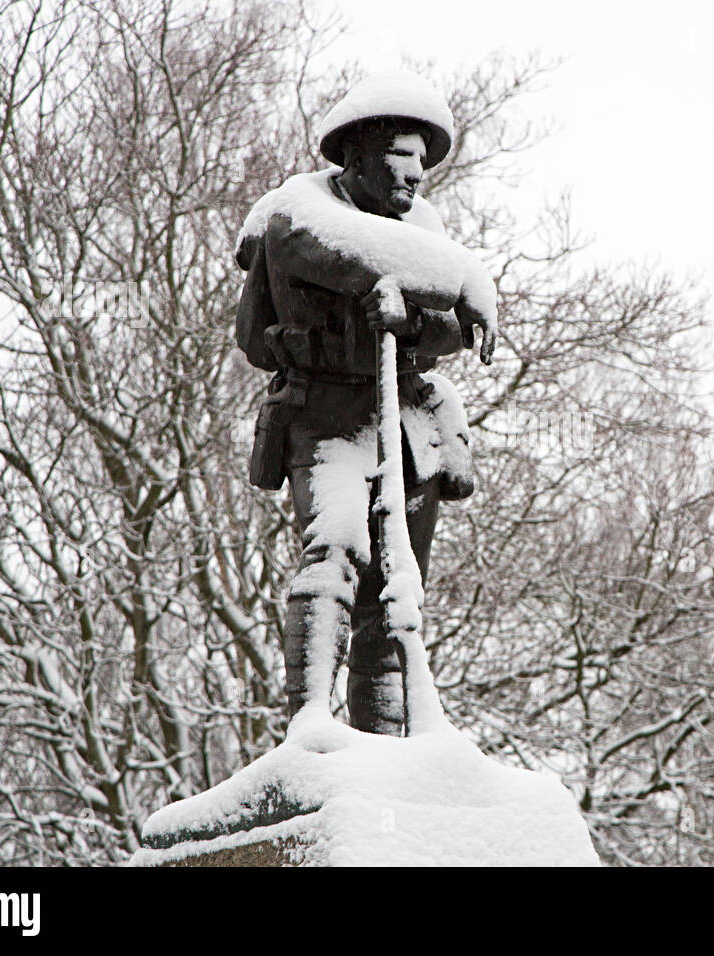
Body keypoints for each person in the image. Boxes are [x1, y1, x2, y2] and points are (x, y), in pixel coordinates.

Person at [233, 72, 495, 735]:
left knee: (396, 590)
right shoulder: (295, 211)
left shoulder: (423, 227)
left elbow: (451, 332)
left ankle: (383, 740)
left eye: (420, 164)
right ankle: (311, 726)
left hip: (403, 427)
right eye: (398, 160)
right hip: (323, 418)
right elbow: (327, 262)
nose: (413, 179)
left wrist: (410, 320)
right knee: (335, 551)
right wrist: (454, 277)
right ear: (356, 156)